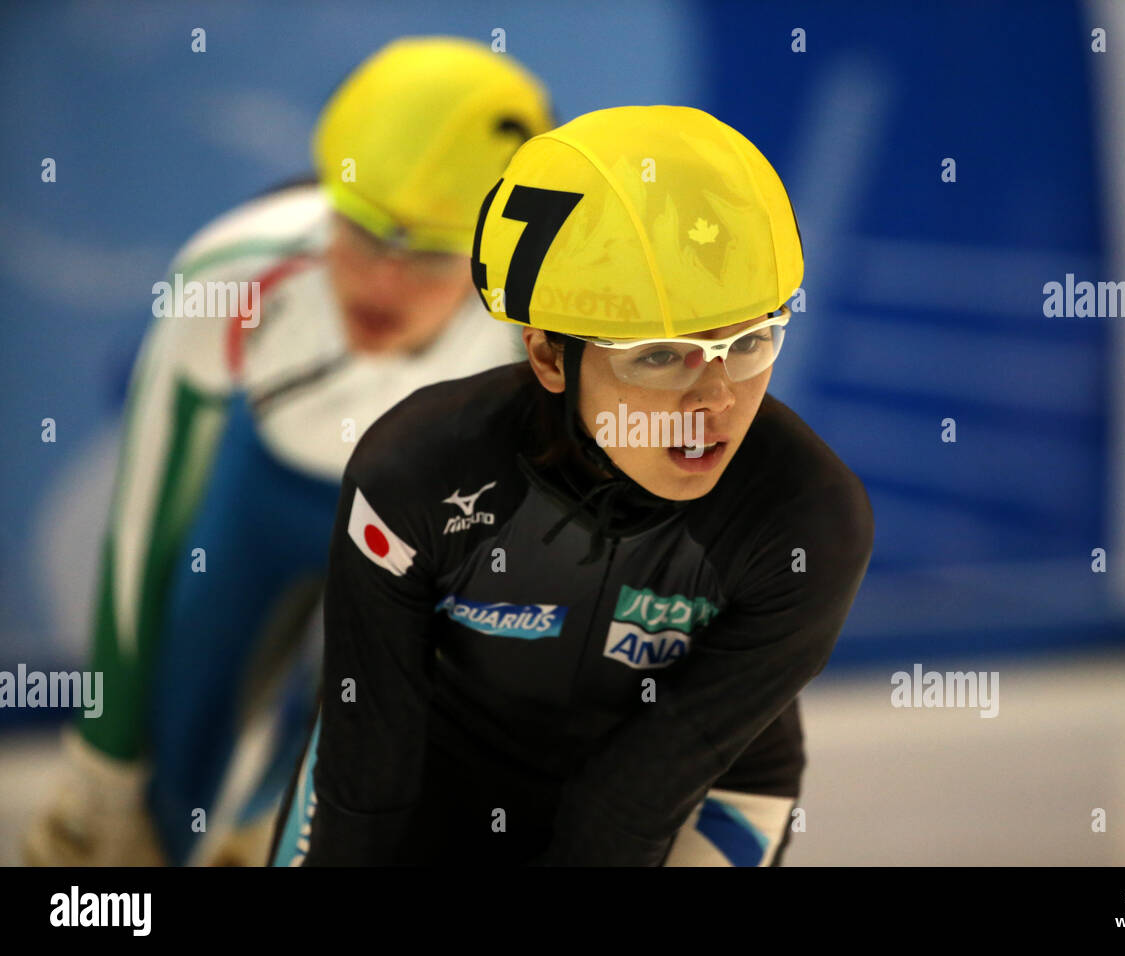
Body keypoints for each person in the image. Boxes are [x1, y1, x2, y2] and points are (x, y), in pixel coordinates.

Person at [271, 105, 874, 867]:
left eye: (751, 342)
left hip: (688, 794)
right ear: (550, 357)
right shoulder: (414, 477)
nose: (716, 400)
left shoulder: (808, 519)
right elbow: (369, 769)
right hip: (433, 770)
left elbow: (629, 804)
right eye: (660, 355)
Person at [24, 37, 554, 867]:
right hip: (264, 493)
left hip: (422, 529)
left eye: (429, 256)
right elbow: (142, 534)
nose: (381, 281)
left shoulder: (539, 330)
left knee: (324, 792)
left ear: (494, 257)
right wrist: (103, 766)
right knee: (172, 739)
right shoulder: (235, 270)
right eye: (361, 231)